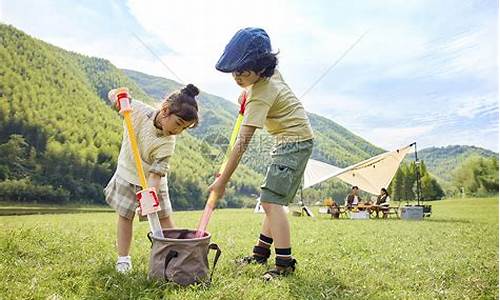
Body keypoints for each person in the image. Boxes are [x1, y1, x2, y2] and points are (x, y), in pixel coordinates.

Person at [210, 27, 314, 280]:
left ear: (261, 67)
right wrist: (244, 94)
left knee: (270, 202)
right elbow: (252, 91)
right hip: (290, 141)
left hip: (294, 142)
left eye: (243, 70)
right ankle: (259, 253)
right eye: (233, 70)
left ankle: (284, 264)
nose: (237, 75)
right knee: (272, 200)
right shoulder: (268, 77)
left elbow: (243, 141)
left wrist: (222, 181)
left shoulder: (261, 93)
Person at [104, 84, 200, 273]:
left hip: (153, 183)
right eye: (178, 123)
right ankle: (123, 259)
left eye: (185, 128)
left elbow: (155, 175)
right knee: (125, 217)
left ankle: (177, 257)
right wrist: (117, 96)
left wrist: (150, 196)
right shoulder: (137, 110)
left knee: (164, 220)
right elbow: (112, 94)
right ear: (165, 111)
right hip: (127, 173)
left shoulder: (168, 143)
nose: (179, 131)